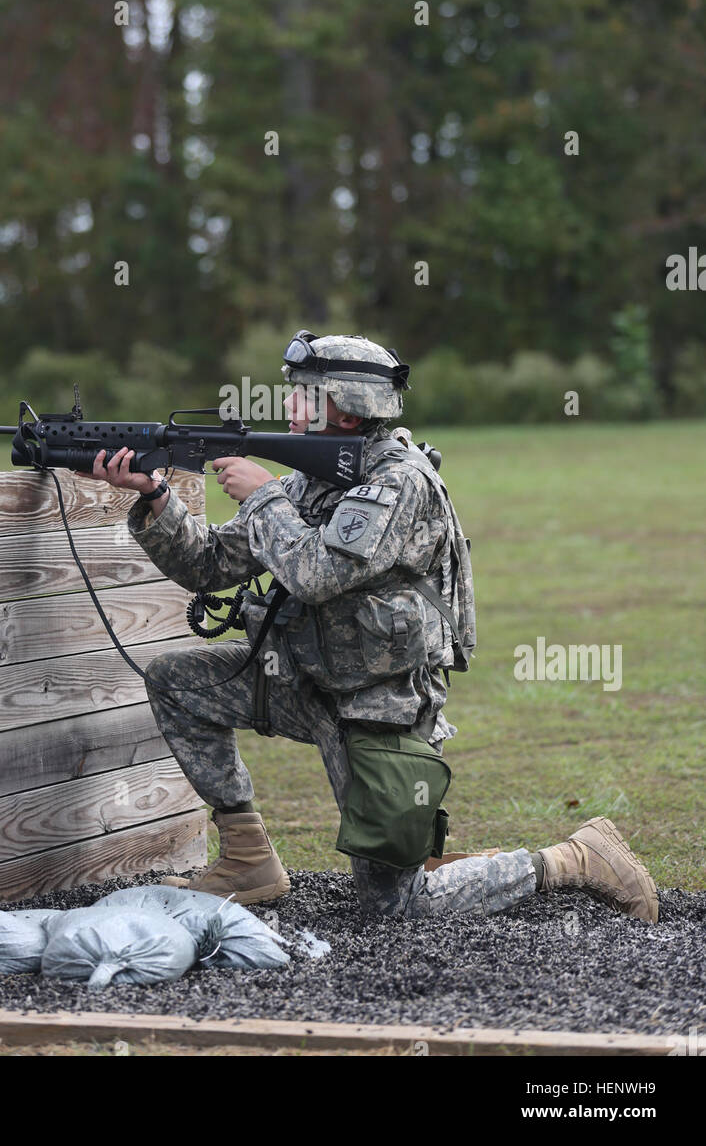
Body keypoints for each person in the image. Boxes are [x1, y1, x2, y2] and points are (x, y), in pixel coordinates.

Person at [83, 331, 658, 923]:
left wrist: (263, 499)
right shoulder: (312, 480)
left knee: (399, 907)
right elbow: (209, 567)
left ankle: (573, 859)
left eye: (305, 396)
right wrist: (155, 495)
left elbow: (314, 575)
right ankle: (248, 857)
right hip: (304, 681)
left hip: (377, 708)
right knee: (176, 681)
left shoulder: (399, 482)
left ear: (347, 408)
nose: (287, 407)